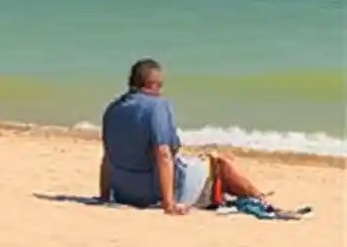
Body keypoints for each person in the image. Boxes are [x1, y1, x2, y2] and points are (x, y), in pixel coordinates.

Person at [100, 58, 263, 215]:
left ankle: (248, 196)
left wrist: (105, 196)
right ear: (153, 85)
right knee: (220, 163)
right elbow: (163, 154)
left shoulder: (113, 109)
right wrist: (169, 204)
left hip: (124, 193)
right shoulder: (157, 106)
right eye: (160, 86)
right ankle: (259, 198)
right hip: (153, 194)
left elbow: (108, 156)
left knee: (204, 164)